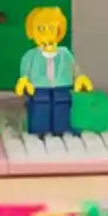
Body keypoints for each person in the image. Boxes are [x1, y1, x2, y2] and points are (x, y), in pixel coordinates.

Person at [14, 7, 94, 137]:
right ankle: (39, 128)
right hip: (39, 87)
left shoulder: (64, 54)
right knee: (40, 105)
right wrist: (24, 81)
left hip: (62, 85)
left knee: (62, 104)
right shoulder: (31, 55)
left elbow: (74, 67)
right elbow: (25, 70)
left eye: (51, 28)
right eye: (41, 29)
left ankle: (61, 127)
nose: (46, 33)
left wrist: (80, 78)